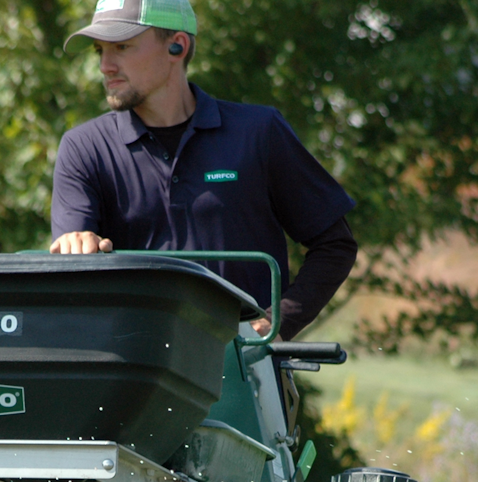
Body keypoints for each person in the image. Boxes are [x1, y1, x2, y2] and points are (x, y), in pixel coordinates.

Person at [49, 0, 358, 340]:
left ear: (177, 45)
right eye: (99, 51)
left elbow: (335, 245)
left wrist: (276, 324)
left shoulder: (259, 131)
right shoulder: (83, 148)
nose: (106, 66)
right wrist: (76, 245)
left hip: (246, 377)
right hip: (135, 375)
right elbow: (70, 272)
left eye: (122, 47)